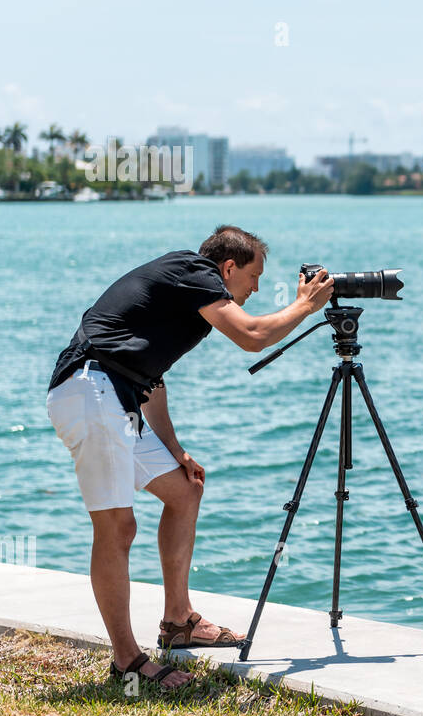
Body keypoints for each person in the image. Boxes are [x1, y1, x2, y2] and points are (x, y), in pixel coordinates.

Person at [45, 225, 334, 689]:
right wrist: (306, 304)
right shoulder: (195, 272)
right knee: (118, 527)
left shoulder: (185, 292)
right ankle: (127, 662)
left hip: (114, 394)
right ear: (228, 267)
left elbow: (151, 379)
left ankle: (178, 622)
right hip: (90, 391)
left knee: (185, 490)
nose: (256, 288)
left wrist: (174, 450)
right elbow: (254, 335)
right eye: (254, 277)